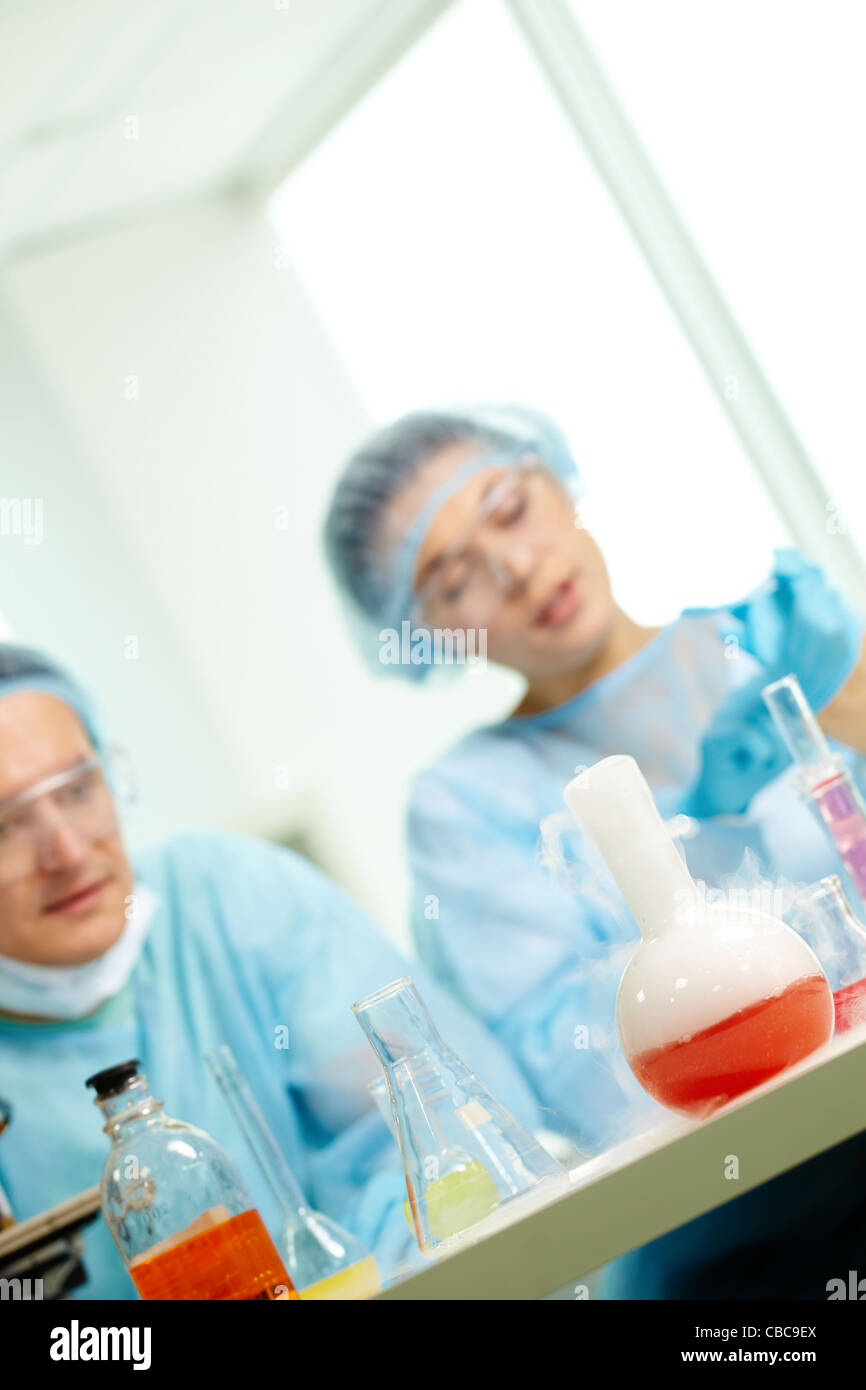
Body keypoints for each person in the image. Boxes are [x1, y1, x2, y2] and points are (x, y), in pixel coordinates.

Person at [324, 404, 866, 1297]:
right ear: (430, 637)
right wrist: (710, 843)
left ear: (557, 478)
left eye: (507, 508)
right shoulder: (467, 806)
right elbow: (593, 1079)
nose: (518, 566)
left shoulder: (770, 649)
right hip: (755, 1255)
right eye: (455, 579)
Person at [0, 642, 541, 1299]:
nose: (65, 849)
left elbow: (428, 1148)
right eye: (6, 826)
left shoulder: (229, 897)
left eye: (78, 789)